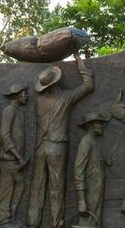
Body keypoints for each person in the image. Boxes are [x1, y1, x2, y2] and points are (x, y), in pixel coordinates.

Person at [27, 55, 95, 228]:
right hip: (57, 147)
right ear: (57, 83)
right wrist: (80, 61)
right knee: (57, 188)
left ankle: (32, 222)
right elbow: (88, 86)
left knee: (37, 188)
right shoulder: (66, 97)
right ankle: (57, 224)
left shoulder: (39, 100)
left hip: (40, 147)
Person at [0, 83, 30, 227]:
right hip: (8, 157)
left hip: (16, 157)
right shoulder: (9, 110)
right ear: (17, 95)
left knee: (19, 185)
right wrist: (17, 155)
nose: (27, 96)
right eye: (24, 93)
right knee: (6, 188)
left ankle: (10, 215)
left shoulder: (19, 110)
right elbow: (5, 134)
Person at [75, 112, 110, 228]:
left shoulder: (94, 142)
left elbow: (93, 160)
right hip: (90, 191)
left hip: (97, 189)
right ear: (91, 125)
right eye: (99, 123)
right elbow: (78, 170)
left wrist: (104, 160)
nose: (101, 126)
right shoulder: (86, 142)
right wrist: (81, 200)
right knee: (88, 223)